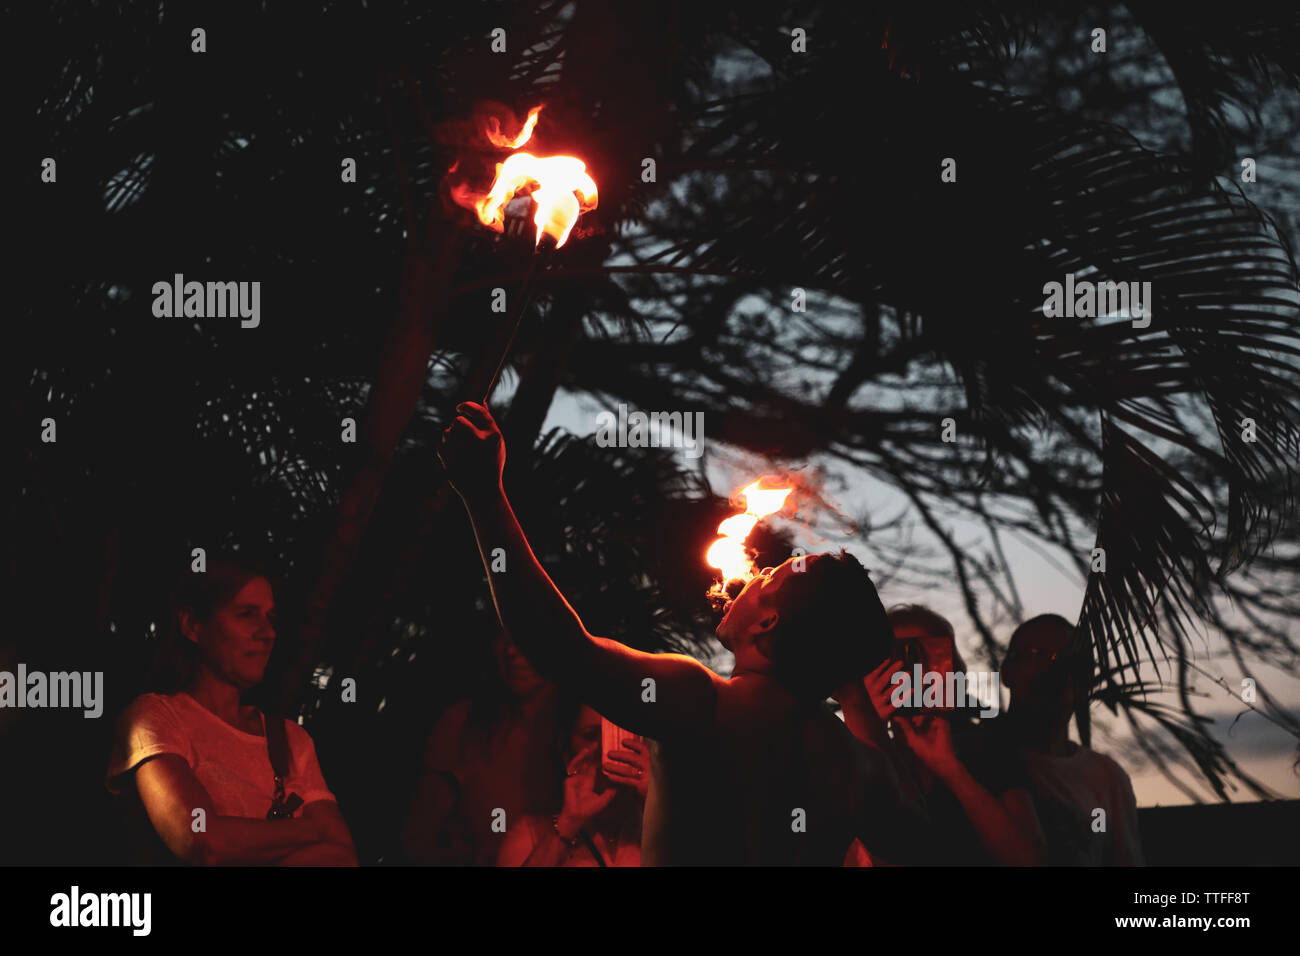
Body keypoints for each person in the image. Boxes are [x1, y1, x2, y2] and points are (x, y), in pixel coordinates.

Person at [438, 401, 931, 866]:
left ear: (767, 622)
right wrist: (851, 689)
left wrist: (483, 493)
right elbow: (917, 841)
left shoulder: (700, 700)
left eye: (767, 578)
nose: (752, 572)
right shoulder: (854, 766)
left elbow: (555, 643)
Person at [106, 556, 356, 865]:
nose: (268, 633)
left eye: (270, 617)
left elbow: (342, 854)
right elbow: (201, 840)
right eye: (247, 614)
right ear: (193, 625)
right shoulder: (155, 717)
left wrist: (245, 840)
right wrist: (309, 830)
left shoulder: (291, 739)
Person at [838, 605, 1047, 865]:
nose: (912, 673)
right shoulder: (855, 755)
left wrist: (951, 768)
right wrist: (869, 731)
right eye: (896, 659)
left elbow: (1029, 860)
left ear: (951, 670)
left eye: (922, 656)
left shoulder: (989, 750)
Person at [400, 629, 578, 865]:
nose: (511, 650)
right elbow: (415, 842)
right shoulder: (464, 724)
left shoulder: (583, 730)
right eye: (501, 634)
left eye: (527, 633)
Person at [1000, 614, 1143, 865]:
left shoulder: (1105, 778)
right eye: (1034, 656)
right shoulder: (967, 759)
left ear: (1084, 681)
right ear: (1007, 671)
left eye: (1066, 662)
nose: (1048, 669)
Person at [497, 705, 649, 866]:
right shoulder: (530, 835)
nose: (604, 748)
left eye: (618, 735)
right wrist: (568, 823)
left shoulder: (657, 825)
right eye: (591, 736)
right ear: (565, 749)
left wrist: (657, 798)